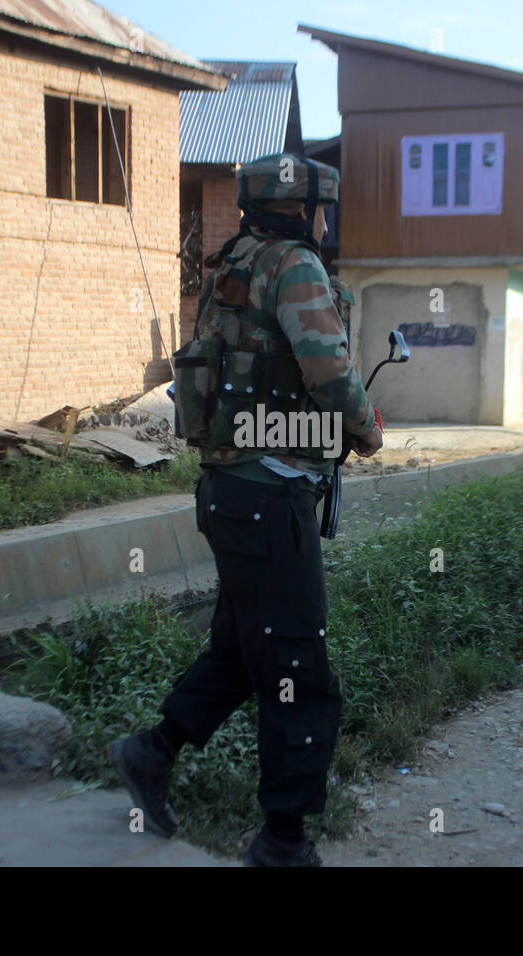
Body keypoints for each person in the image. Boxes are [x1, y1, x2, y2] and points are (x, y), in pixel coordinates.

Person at [110, 152, 382, 866]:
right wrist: (365, 427)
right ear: (302, 209)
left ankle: (151, 751)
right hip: (270, 494)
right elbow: (328, 369)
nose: (324, 223)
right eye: (320, 210)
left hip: (229, 492)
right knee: (297, 663)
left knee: (239, 647)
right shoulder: (295, 266)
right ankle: (284, 840)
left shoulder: (229, 268)